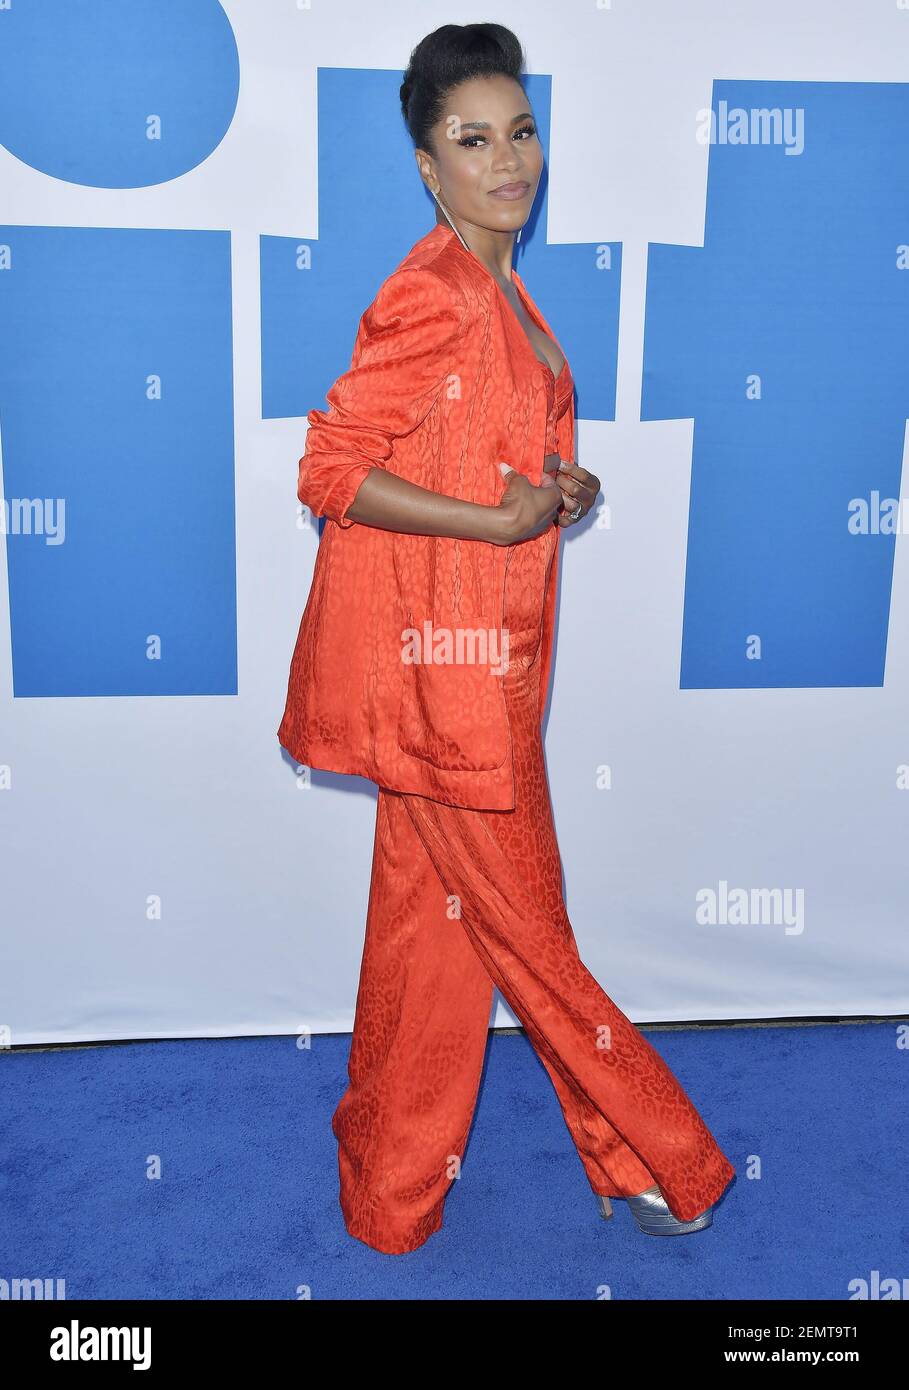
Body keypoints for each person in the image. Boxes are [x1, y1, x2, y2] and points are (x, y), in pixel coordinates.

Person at [278, 22, 736, 1254]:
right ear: (428, 166)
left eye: (520, 130)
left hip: (490, 675)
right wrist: (495, 518)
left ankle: (389, 1190)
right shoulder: (429, 292)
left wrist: (554, 485)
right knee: (534, 933)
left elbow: (479, 450)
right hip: (449, 688)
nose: (508, 159)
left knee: (431, 943)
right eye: (471, 139)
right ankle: (653, 1153)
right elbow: (331, 467)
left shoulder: (504, 289)